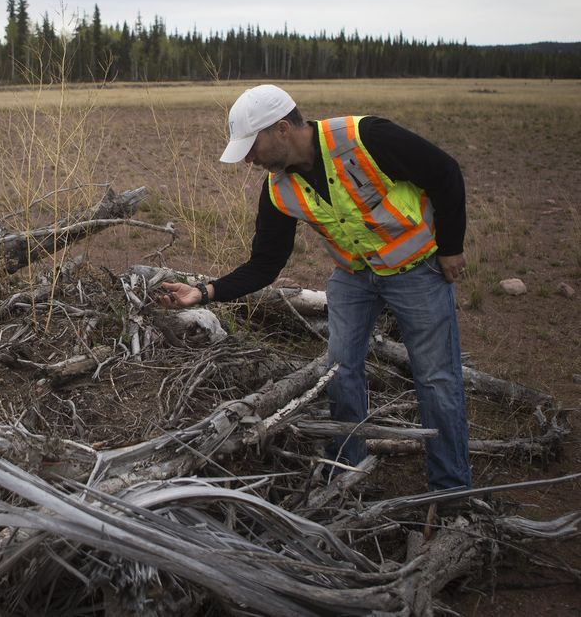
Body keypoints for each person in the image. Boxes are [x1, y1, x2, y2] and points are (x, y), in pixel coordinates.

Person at [156, 84, 471, 491]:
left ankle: (451, 489)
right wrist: (205, 292)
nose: (249, 159)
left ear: (282, 129)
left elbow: (444, 172)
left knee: (436, 379)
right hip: (355, 278)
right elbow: (265, 263)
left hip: (417, 271)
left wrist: (451, 247)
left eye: (252, 147)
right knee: (338, 371)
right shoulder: (278, 188)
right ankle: (348, 475)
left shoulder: (366, 138)